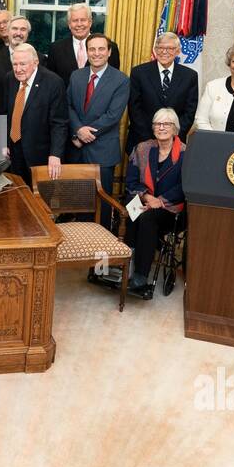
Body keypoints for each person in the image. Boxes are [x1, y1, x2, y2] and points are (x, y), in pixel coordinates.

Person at [123, 108, 187, 300]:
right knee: (133, 211)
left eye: (166, 124)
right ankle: (127, 265)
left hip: (171, 209)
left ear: (175, 129)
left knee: (147, 217)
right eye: (158, 124)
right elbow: (131, 182)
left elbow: (184, 187)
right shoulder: (142, 149)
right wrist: (147, 197)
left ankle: (141, 276)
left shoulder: (186, 153)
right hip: (145, 200)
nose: (162, 128)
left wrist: (161, 201)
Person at [66, 33, 129, 207]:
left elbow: (113, 115)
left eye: (101, 49)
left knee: (102, 205)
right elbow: (68, 106)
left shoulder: (121, 80)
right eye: (92, 49)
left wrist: (83, 135)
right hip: (76, 151)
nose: (96, 53)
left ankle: (103, 235)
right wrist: (78, 130)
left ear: (109, 52)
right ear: (87, 52)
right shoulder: (76, 76)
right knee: (76, 203)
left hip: (102, 151)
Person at [5, 43, 66, 183]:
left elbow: (59, 123)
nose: (18, 69)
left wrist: (55, 154)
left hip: (40, 154)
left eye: (23, 64)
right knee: (17, 195)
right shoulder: (9, 79)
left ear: (36, 62)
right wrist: (4, 142)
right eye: (15, 64)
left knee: (40, 199)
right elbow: (4, 112)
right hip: (14, 153)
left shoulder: (53, 82)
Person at [127, 32, 198, 148]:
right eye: (160, 48)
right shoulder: (139, 73)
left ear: (178, 51)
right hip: (142, 140)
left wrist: (172, 136)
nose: (164, 52)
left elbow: (189, 112)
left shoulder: (190, 76)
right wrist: (150, 139)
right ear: (155, 49)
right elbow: (134, 109)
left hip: (175, 142)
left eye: (170, 48)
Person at [46, 3, 121, 84]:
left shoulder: (110, 47)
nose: (79, 24)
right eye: (75, 20)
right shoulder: (56, 49)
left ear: (90, 22)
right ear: (69, 24)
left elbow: (114, 80)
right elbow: (51, 82)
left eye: (83, 20)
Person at [0, 15, 31, 116]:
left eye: (23, 29)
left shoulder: (38, 59)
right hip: (1, 118)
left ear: (27, 33)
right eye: (14, 29)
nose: (18, 33)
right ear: (8, 31)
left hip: (30, 119)